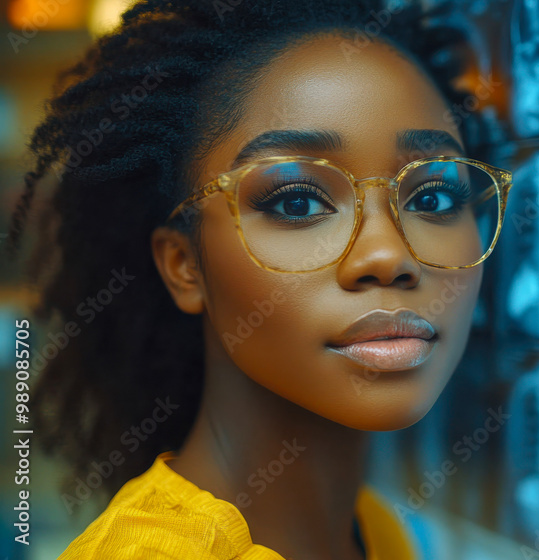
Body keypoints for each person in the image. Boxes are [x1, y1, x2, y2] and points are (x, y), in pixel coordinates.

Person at [4, 0, 510, 558]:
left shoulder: (375, 531)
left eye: (433, 197)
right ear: (184, 265)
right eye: (296, 202)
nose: (390, 255)